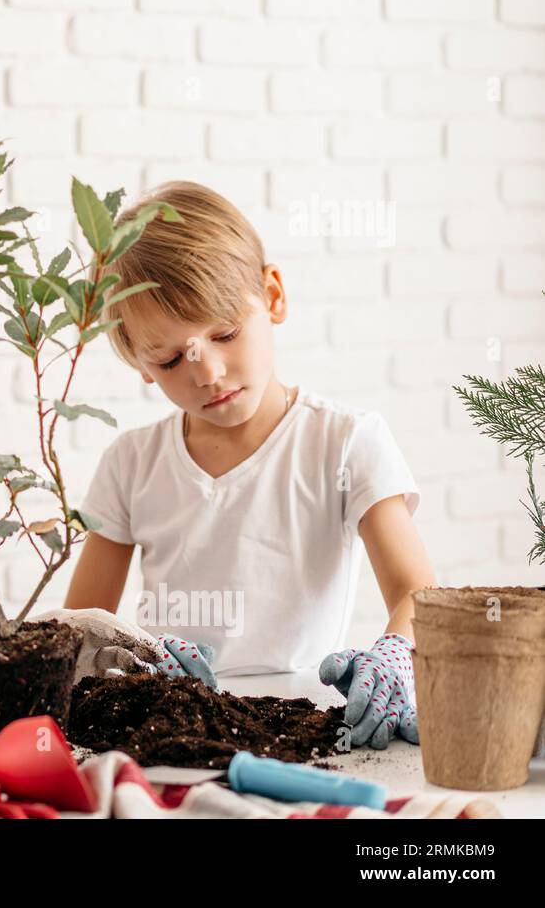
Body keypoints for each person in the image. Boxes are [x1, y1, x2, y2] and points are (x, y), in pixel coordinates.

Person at [57, 181, 436, 750]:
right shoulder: (130, 463)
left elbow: (417, 592)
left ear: (273, 295)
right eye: (169, 357)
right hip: (174, 729)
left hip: (311, 726)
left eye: (226, 333)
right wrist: (131, 659)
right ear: (138, 359)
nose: (206, 371)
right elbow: (83, 624)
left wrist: (394, 657)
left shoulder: (346, 442)